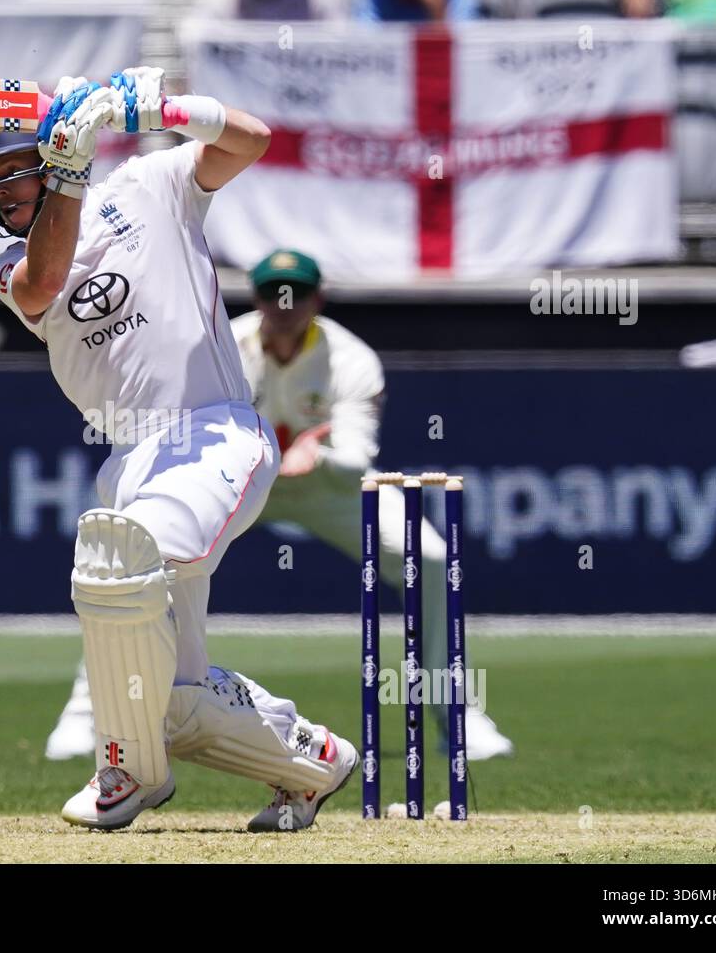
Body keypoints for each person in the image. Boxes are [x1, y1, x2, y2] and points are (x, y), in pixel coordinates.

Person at [0, 71, 358, 832]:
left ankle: (128, 771)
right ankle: (311, 761)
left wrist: (159, 108)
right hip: (131, 461)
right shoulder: (11, 268)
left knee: (119, 562)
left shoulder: (151, 182)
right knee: (166, 696)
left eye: (6, 174)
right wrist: (70, 173)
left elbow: (252, 139)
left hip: (212, 432)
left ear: (44, 158)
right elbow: (46, 284)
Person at [45, 249, 514, 770]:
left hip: (325, 487)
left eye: (295, 294)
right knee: (135, 560)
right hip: (231, 482)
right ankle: (87, 716)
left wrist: (318, 456)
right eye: (271, 294)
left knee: (428, 558)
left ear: (318, 299)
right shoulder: (220, 345)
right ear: (257, 299)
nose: (284, 305)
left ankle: (459, 716)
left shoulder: (351, 359)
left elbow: (356, 457)